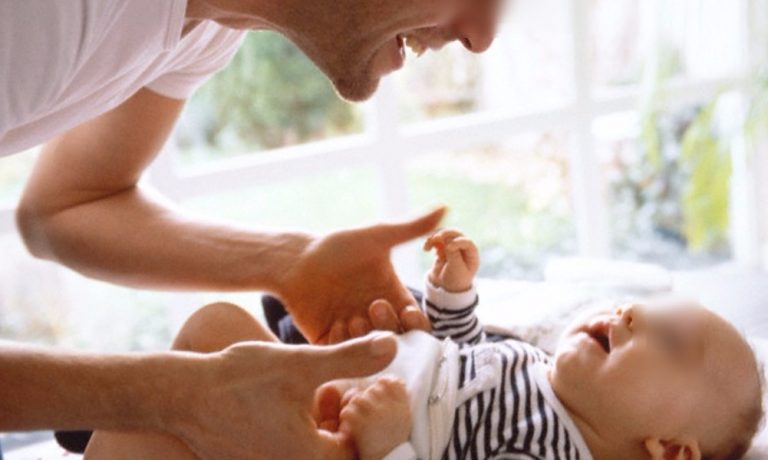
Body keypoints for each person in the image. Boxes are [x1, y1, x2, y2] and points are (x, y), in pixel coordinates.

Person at [0, 0, 531, 457]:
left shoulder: (209, 22)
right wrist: (178, 395)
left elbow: (69, 205)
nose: (480, 37)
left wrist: (289, 264)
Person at [83, 228, 766, 460]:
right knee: (212, 330)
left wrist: (389, 445)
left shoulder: (551, 451)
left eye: (667, 340)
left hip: (351, 447)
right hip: (343, 402)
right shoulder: (541, 372)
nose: (628, 317)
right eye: (634, 307)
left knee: (205, 372)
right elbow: (463, 358)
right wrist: (453, 298)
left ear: (671, 452)